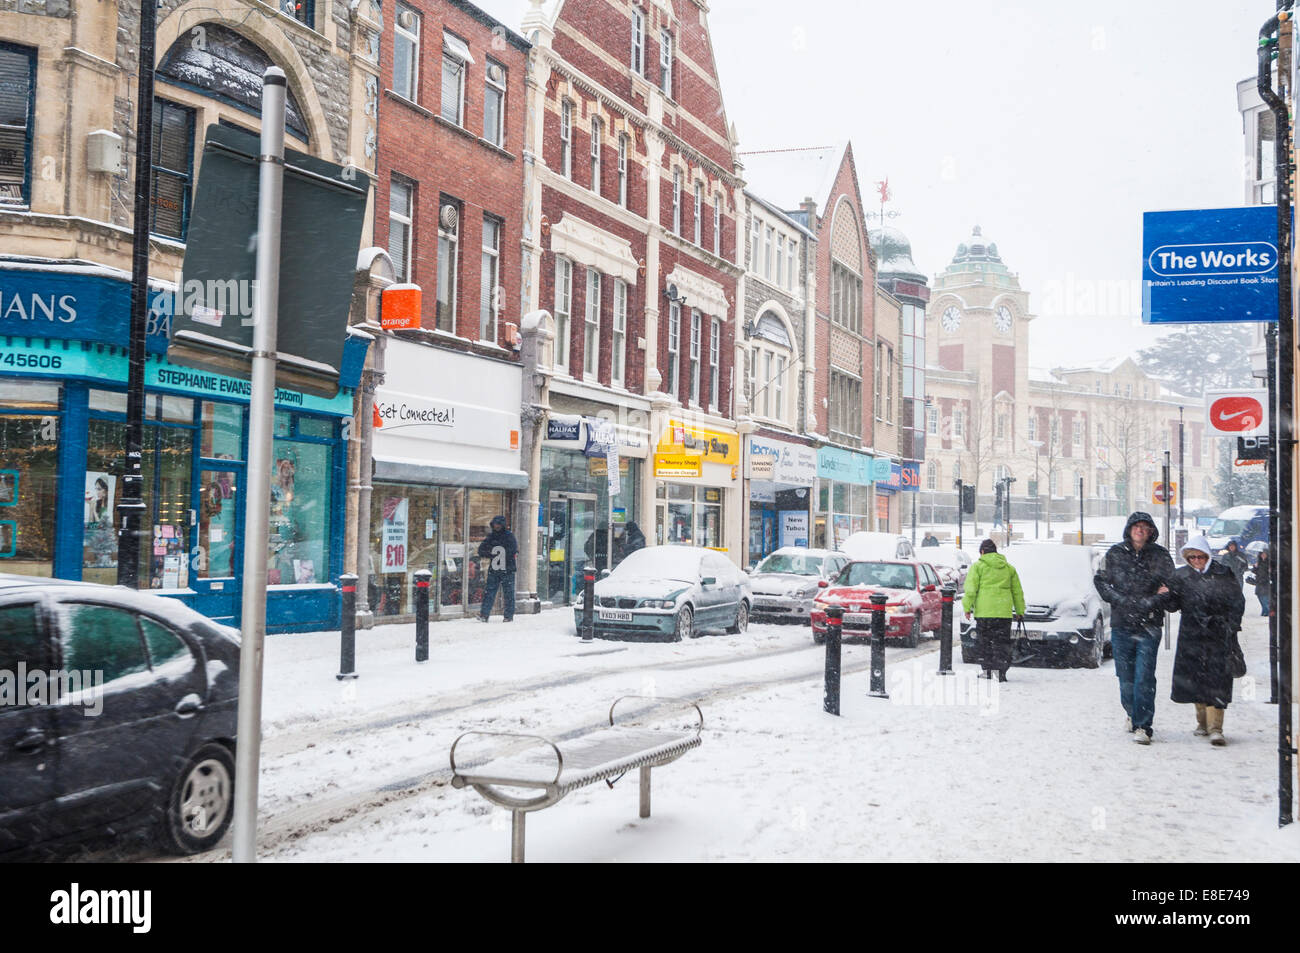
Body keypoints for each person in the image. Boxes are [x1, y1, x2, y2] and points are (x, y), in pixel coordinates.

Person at [1094, 511, 1176, 745]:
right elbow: (1100, 581)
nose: (1140, 530)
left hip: (1149, 624)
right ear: (1129, 529)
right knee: (1126, 677)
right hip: (1122, 624)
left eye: (1145, 527)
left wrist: (1153, 601)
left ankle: (1143, 725)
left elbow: (1171, 587)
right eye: (1136, 526)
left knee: (1144, 676)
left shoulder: (1160, 556)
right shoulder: (1115, 554)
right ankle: (1132, 711)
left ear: (1151, 531)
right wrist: (1118, 599)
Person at [1165, 535, 1245, 746]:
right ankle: (1202, 722)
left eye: (1200, 556)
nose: (1197, 561)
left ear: (1207, 555)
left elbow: (1237, 600)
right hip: (1191, 633)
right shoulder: (1181, 576)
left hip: (1218, 633)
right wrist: (1165, 594)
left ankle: (1216, 728)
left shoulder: (1222, 573)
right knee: (1195, 678)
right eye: (1192, 557)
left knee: (1217, 679)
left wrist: (1231, 625)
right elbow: (1173, 605)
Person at [962, 539, 1026, 682]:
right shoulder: (1009, 568)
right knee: (1001, 643)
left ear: (982, 552)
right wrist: (1020, 611)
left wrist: (967, 608)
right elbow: (1017, 592)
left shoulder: (978, 567)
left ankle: (988, 670)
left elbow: (971, 590)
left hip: (984, 613)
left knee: (984, 643)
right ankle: (1000, 672)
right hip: (1003, 613)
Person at [477, 515, 517, 623]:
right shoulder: (492, 536)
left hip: (507, 569)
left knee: (507, 593)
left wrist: (496, 554)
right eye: (495, 524)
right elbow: (481, 550)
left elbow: (513, 550)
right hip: (495, 569)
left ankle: (508, 616)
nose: (496, 526)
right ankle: (484, 615)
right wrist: (491, 554)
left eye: (498, 524)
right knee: (490, 592)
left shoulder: (508, 536)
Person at [1253, 549, 1272, 617]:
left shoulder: (1269, 563)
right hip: (1259, 582)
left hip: (1265, 582)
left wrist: (1270, 570)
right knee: (1260, 596)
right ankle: (1264, 610)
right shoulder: (1259, 562)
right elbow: (1254, 572)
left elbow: (1272, 573)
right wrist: (1255, 567)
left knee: (1265, 597)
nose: (1263, 555)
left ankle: (1267, 611)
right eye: (1262, 554)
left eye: (1264, 554)